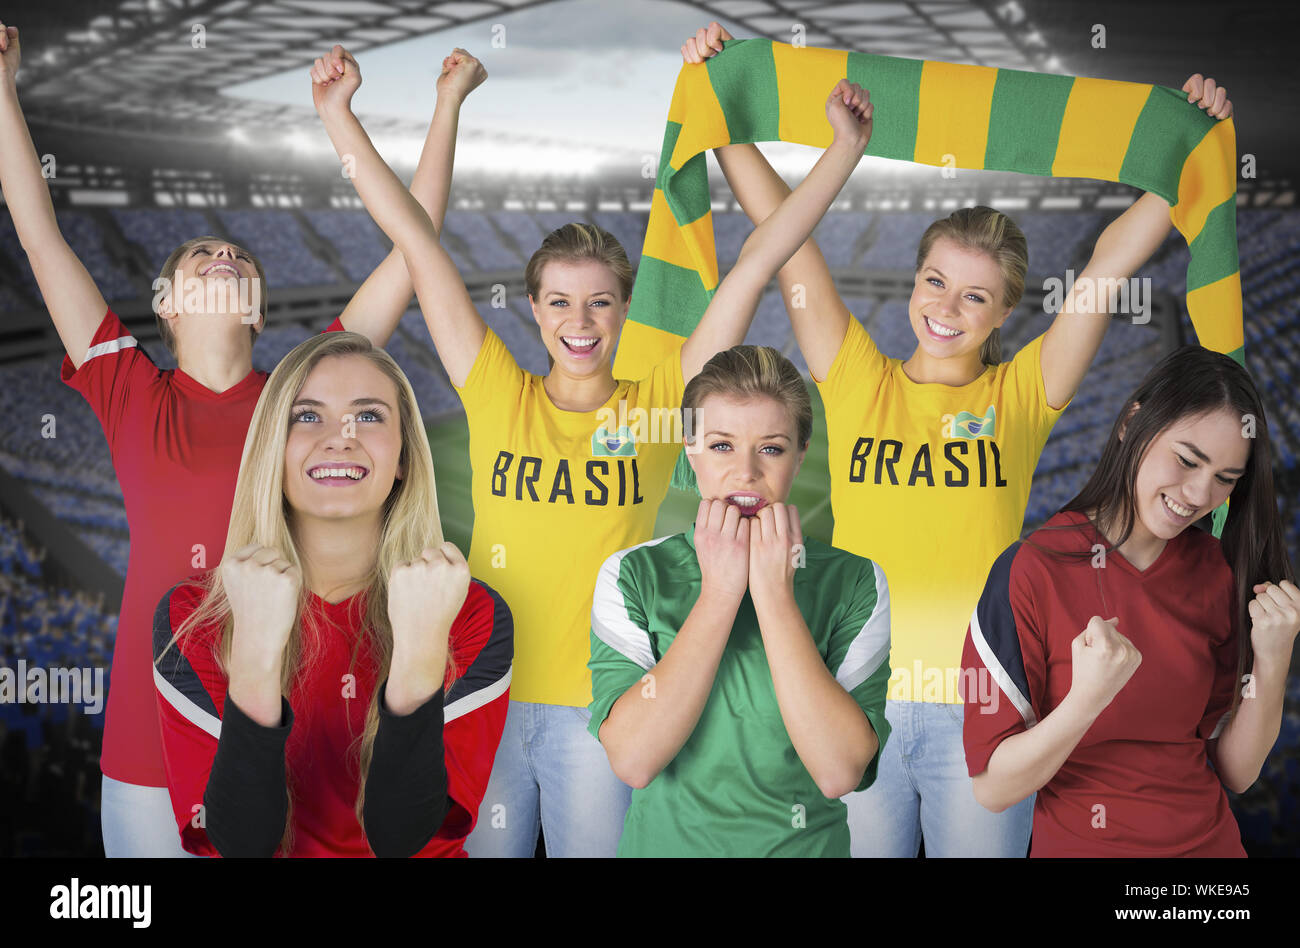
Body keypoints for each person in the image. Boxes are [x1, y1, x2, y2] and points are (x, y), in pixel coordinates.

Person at [682, 20, 1235, 857]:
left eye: (975, 297)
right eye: (936, 281)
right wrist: (722, 108)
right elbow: (785, 244)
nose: (946, 306)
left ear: (1005, 313)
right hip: (851, 693)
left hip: (990, 705)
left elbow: (1104, 273)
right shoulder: (858, 377)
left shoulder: (1024, 394)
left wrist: (1183, 157)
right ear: (913, 283)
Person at [309, 43, 874, 856]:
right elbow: (413, 237)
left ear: (622, 310)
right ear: (534, 311)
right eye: (561, 302)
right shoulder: (495, 388)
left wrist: (841, 155)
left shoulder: (656, 409)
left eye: (601, 302)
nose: (581, 322)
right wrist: (343, 117)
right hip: (482, 699)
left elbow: (755, 267)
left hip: (603, 712)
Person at [0, 22, 486, 855]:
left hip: (289, 736)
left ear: (260, 311)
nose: (222, 255)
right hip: (148, 743)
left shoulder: (303, 392)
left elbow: (415, 249)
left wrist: (443, 106)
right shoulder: (127, 389)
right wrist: (5, 88)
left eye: (236, 256)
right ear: (169, 306)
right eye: (199, 257)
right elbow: (38, 232)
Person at [153, 331, 512, 857]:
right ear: (271, 451)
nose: (340, 436)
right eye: (306, 415)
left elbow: (402, 838)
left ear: (405, 456)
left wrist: (419, 650)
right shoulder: (193, 615)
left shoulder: (471, 612)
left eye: (368, 416)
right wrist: (253, 653)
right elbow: (240, 843)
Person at [961, 346, 1297, 856]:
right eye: (1187, 460)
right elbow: (993, 788)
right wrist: (1087, 699)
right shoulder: (1029, 570)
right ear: (1131, 423)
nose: (1200, 493)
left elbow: (1238, 771)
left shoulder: (1221, 575)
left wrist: (1273, 661)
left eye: (1226, 479)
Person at [588, 345, 891, 856]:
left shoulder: (857, 581)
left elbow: (838, 771)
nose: (746, 472)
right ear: (691, 448)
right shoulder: (632, 574)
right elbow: (636, 761)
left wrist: (774, 597)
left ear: (800, 453)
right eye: (722, 445)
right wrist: (721, 593)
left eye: (771, 448)